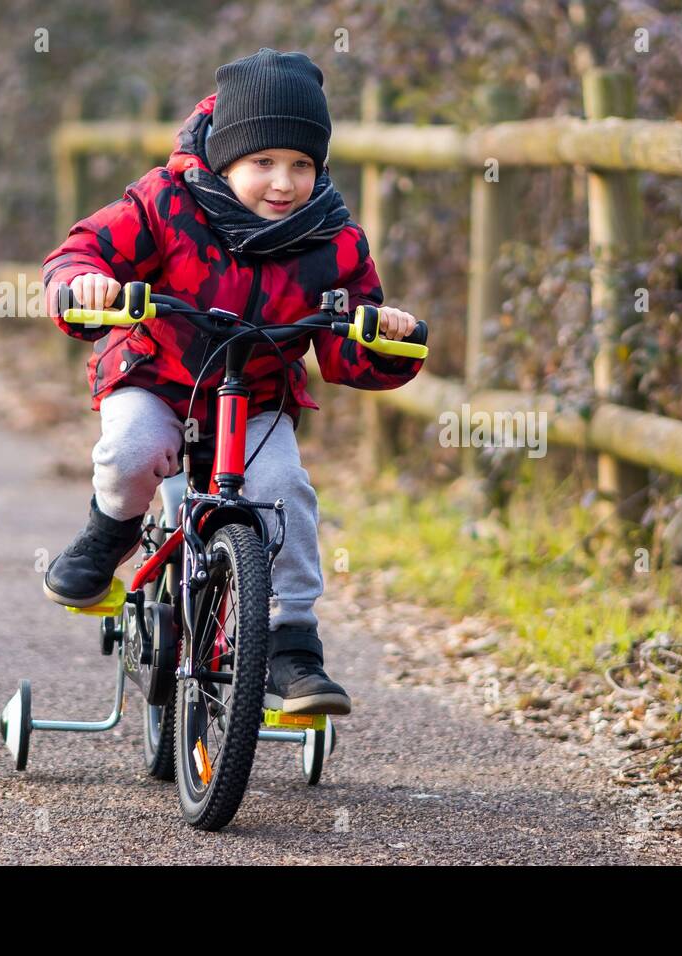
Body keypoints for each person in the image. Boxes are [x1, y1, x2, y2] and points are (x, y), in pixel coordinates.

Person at [40, 49, 425, 716]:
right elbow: (82, 251)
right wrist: (85, 284)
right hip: (159, 378)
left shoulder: (333, 239)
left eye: (302, 164)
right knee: (133, 450)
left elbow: (344, 353)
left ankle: (291, 644)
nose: (284, 182)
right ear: (226, 157)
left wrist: (382, 333)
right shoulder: (165, 203)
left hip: (256, 398)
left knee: (284, 495)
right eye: (264, 163)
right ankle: (108, 534)